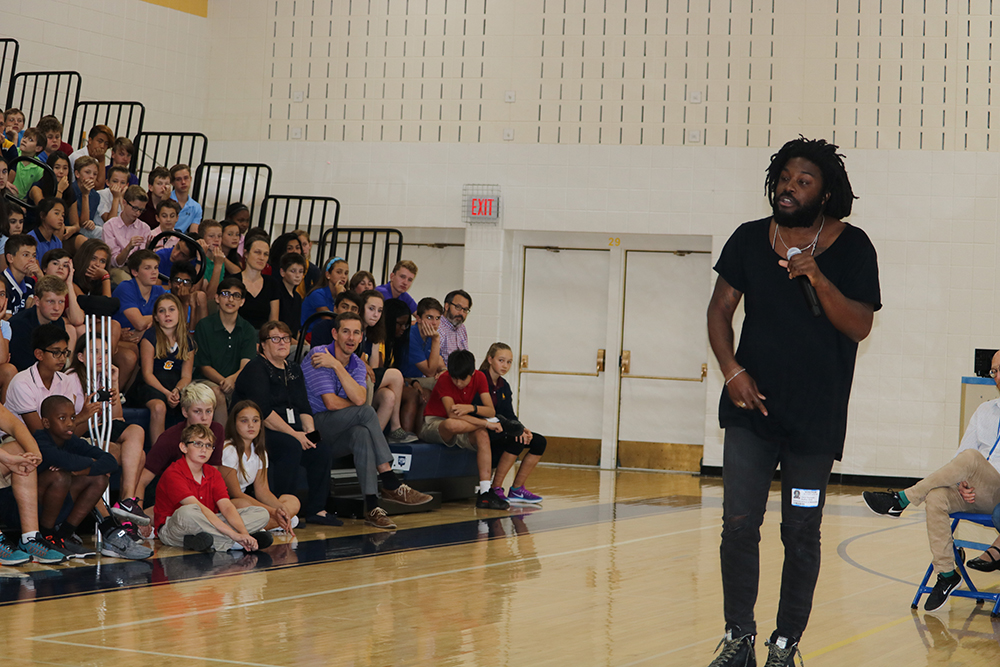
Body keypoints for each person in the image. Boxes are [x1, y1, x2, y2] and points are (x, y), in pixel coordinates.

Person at [704, 137, 880, 666]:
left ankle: (785, 644)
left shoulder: (854, 248)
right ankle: (739, 638)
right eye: (784, 176)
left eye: (804, 181)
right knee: (738, 523)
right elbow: (718, 313)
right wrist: (732, 369)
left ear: (825, 194)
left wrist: (816, 275)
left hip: (814, 423)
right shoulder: (749, 239)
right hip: (751, 413)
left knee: (801, 529)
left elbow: (859, 325)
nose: (789, 186)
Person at [863, 347, 1000, 610]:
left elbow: (969, 459)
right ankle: (947, 574)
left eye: (999, 370)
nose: (996, 376)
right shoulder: (985, 411)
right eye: (993, 371)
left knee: (972, 458)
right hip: (976, 490)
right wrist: (963, 484)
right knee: (936, 497)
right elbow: (959, 458)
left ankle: (901, 499)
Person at [302, 312, 434, 529]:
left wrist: (336, 365)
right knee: (365, 412)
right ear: (335, 333)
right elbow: (331, 404)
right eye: (345, 332)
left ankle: (373, 508)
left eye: (356, 333)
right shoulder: (319, 354)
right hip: (314, 429)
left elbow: (360, 398)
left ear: (362, 337)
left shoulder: (355, 363)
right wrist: (354, 401)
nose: (351, 338)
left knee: (362, 433)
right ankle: (390, 480)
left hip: (336, 435)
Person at [232, 320, 340, 526]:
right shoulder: (256, 368)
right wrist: (296, 435)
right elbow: (263, 412)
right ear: (263, 344)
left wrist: (309, 432)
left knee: (321, 447)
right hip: (258, 429)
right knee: (290, 447)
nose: (282, 343)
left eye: (285, 338)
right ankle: (285, 508)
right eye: (275, 339)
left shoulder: (293, 369)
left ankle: (317, 509)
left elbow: (303, 406)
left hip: (291, 427)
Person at [154, 423, 272, 554]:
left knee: (262, 513)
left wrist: (243, 533)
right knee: (187, 511)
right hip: (175, 526)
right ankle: (233, 542)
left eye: (208, 445)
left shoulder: (213, 473)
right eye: (198, 444)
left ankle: (208, 540)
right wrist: (234, 535)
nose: (204, 449)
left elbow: (226, 506)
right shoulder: (173, 473)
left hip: (207, 522)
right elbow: (199, 509)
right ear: (184, 447)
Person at [420, 350, 507, 510]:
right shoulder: (445, 379)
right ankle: (483, 426)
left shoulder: (480, 377)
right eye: (455, 378)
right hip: (436, 423)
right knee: (454, 425)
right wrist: (486, 424)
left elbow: (491, 411)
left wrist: (471, 407)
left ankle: (485, 492)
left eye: (462, 379)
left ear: (472, 373)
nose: (458, 383)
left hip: (463, 422)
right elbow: (452, 415)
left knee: (481, 435)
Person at [34, 395, 115, 559]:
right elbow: (63, 460)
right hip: (32, 506)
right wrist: (89, 462)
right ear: (46, 423)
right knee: (60, 477)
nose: (70, 423)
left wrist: (82, 470)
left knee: (100, 479)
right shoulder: (40, 439)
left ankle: (63, 535)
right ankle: (46, 536)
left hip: (59, 501)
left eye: (72, 417)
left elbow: (110, 462)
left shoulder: (71, 440)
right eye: (62, 418)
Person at [134, 382, 224, 516]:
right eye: (197, 411)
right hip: (166, 494)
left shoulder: (216, 430)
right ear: (185, 412)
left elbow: (213, 472)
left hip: (200, 492)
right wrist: (138, 516)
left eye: (209, 411)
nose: (204, 418)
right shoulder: (169, 438)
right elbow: (142, 480)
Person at [479, 343, 546, 504]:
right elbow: (482, 411)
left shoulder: (504, 385)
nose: (505, 365)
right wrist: (515, 431)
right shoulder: (479, 379)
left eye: (509, 362)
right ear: (490, 359)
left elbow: (509, 414)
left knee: (538, 441)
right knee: (516, 439)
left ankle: (517, 489)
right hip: (483, 429)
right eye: (501, 360)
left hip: (501, 429)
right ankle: (496, 487)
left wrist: (522, 429)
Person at [219, 400, 301, 533]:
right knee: (244, 504)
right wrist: (273, 512)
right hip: (227, 503)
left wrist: (281, 510)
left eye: (255, 421)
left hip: (246, 504)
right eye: (244, 421)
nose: (251, 425)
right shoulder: (228, 450)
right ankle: (273, 523)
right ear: (234, 424)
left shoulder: (260, 451)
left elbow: (263, 491)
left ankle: (267, 524)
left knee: (292, 501)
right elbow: (235, 493)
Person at [193, 277, 256, 425]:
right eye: (226, 294)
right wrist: (223, 381)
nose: (231, 299)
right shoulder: (204, 326)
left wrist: (232, 380)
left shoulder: (248, 330)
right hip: (205, 382)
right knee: (217, 394)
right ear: (217, 298)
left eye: (236, 295)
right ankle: (225, 442)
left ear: (242, 302)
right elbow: (203, 366)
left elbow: (246, 366)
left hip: (236, 381)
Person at [136, 293, 194, 445]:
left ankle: (189, 448)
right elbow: (147, 374)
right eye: (162, 311)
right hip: (152, 386)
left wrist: (176, 390)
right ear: (155, 317)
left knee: (195, 403)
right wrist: (167, 393)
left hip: (175, 386)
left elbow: (186, 376)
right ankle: (158, 454)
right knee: (159, 407)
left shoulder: (187, 342)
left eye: (171, 309)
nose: (167, 314)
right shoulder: (149, 337)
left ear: (180, 313)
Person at [8, 276, 73, 371]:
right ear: (37, 301)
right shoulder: (19, 324)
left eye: (61, 302)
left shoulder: (58, 322)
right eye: (51, 301)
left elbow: (60, 358)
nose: (57, 308)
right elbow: (23, 365)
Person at [103, 185, 154, 275]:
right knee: (125, 279)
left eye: (141, 210)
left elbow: (143, 260)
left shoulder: (145, 228)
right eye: (135, 208)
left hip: (138, 269)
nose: (138, 213)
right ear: (124, 203)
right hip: (116, 269)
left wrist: (147, 248)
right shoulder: (110, 226)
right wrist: (128, 247)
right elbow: (115, 262)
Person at [112, 249, 166, 333]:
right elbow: (139, 324)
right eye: (147, 268)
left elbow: (173, 317)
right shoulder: (125, 287)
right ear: (134, 272)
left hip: (141, 337)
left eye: (156, 268)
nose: (154, 272)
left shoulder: (159, 291)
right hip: (119, 338)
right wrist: (159, 318)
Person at [400, 297, 446, 390]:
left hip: (418, 379)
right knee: (441, 384)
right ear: (418, 318)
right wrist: (436, 340)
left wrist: (443, 370)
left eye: (438, 318)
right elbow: (429, 372)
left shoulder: (430, 335)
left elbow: (439, 360)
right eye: (429, 317)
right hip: (403, 380)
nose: (434, 323)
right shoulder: (411, 336)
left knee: (446, 379)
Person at [301, 257, 349, 333]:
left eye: (346, 273)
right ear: (328, 275)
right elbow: (329, 321)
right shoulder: (317, 294)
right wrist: (340, 296)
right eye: (339, 272)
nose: (343, 276)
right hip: (309, 334)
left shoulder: (344, 293)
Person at [236, 236, 274, 330]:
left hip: (262, 337)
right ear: (246, 254)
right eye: (257, 252)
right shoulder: (233, 281)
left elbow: (273, 321)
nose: (262, 258)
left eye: (266, 254)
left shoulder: (272, 283)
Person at [269, 252, 305, 339]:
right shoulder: (276, 291)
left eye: (300, 272)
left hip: (292, 340)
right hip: (279, 339)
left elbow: (296, 328)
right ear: (282, 272)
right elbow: (275, 324)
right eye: (293, 271)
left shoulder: (297, 297)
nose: (297, 275)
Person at [3, 234, 40, 316]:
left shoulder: (30, 282)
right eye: (25, 255)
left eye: (34, 256)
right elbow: (8, 320)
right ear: (10, 258)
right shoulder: (2, 284)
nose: (32, 260)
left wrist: (40, 275)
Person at [438, 289, 471, 365]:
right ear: (447, 306)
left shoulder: (462, 328)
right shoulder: (437, 326)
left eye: (465, 310)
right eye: (458, 307)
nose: (461, 313)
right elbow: (433, 358)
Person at [168, 163, 202, 234]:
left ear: (191, 179)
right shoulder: (166, 199)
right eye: (178, 179)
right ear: (172, 182)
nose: (183, 182)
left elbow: (193, 232)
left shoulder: (196, 207)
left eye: (186, 178)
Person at [10, 128, 43, 199]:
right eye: (24, 137)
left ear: (38, 148)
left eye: (30, 140)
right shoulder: (12, 153)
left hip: (22, 201)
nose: (24, 140)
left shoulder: (39, 168)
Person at [292, 229, 320, 296]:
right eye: (298, 245)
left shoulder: (314, 270)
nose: (302, 248)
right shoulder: (282, 267)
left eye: (304, 244)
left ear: (310, 245)